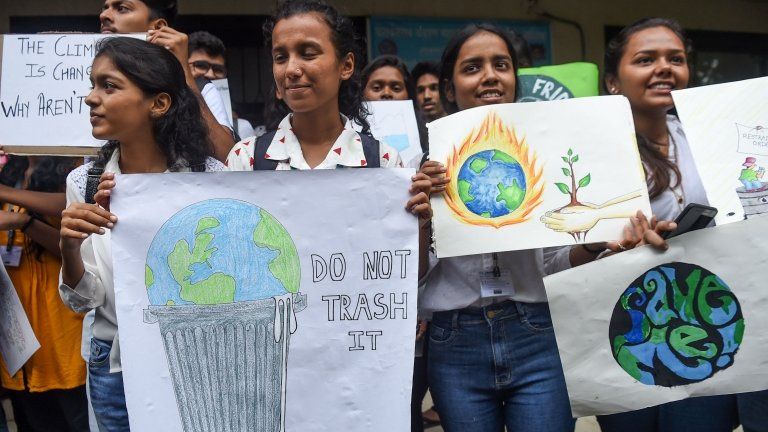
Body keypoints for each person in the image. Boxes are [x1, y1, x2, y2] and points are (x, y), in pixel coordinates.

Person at [418, 23, 672, 432]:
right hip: (455, 343)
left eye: (501, 65)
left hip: (539, 332)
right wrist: (422, 218)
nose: (489, 76)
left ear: (515, 78)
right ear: (448, 88)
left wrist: (593, 243)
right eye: (472, 67)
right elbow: (413, 275)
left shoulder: (544, 155)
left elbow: (553, 263)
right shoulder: (421, 165)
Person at [58, 37, 224, 431]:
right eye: (92, 84)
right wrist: (69, 247)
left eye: (109, 86)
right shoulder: (84, 183)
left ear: (158, 103)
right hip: (114, 364)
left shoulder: (210, 180)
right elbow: (86, 302)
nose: (90, 98)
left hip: (191, 361)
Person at [598, 17, 740, 432]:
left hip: (706, 326)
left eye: (675, 59)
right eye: (646, 59)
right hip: (623, 330)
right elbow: (558, 254)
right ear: (612, 82)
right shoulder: (588, 155)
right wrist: (617, 244)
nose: (664, 68)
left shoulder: (714, 140)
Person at [0, 156, 89, 432]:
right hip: (19, 340)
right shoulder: (11, 171)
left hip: (63, 337)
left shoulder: (73, 175)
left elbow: (77, 250)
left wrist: (24, 223)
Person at [99, 0, 235, 162]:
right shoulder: (91, 88)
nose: (104, 15)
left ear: (157, 27)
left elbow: (227, 157)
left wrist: (183, 70)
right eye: (105, 7)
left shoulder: (203, 89)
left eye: (122, 8)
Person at [187, 31, 260, 141]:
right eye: (201, 66)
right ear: (183, 66)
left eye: (218, 69)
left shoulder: (241, 128)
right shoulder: (164, 120)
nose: (210, 74)